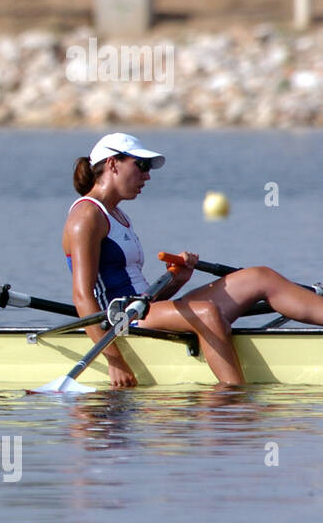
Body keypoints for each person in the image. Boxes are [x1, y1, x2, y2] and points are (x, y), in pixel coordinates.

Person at [63, 132, 323, 387]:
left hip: (142, 311)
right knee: (207, 313)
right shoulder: (86, 216)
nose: (147, 175)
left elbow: (146, 299)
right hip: (118, 320)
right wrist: (114, 360)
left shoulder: (118, 216)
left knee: (259, 277)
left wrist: (176, 280)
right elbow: (82, 296)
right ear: (112, 164)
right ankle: (233, 406)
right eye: (141, 165)